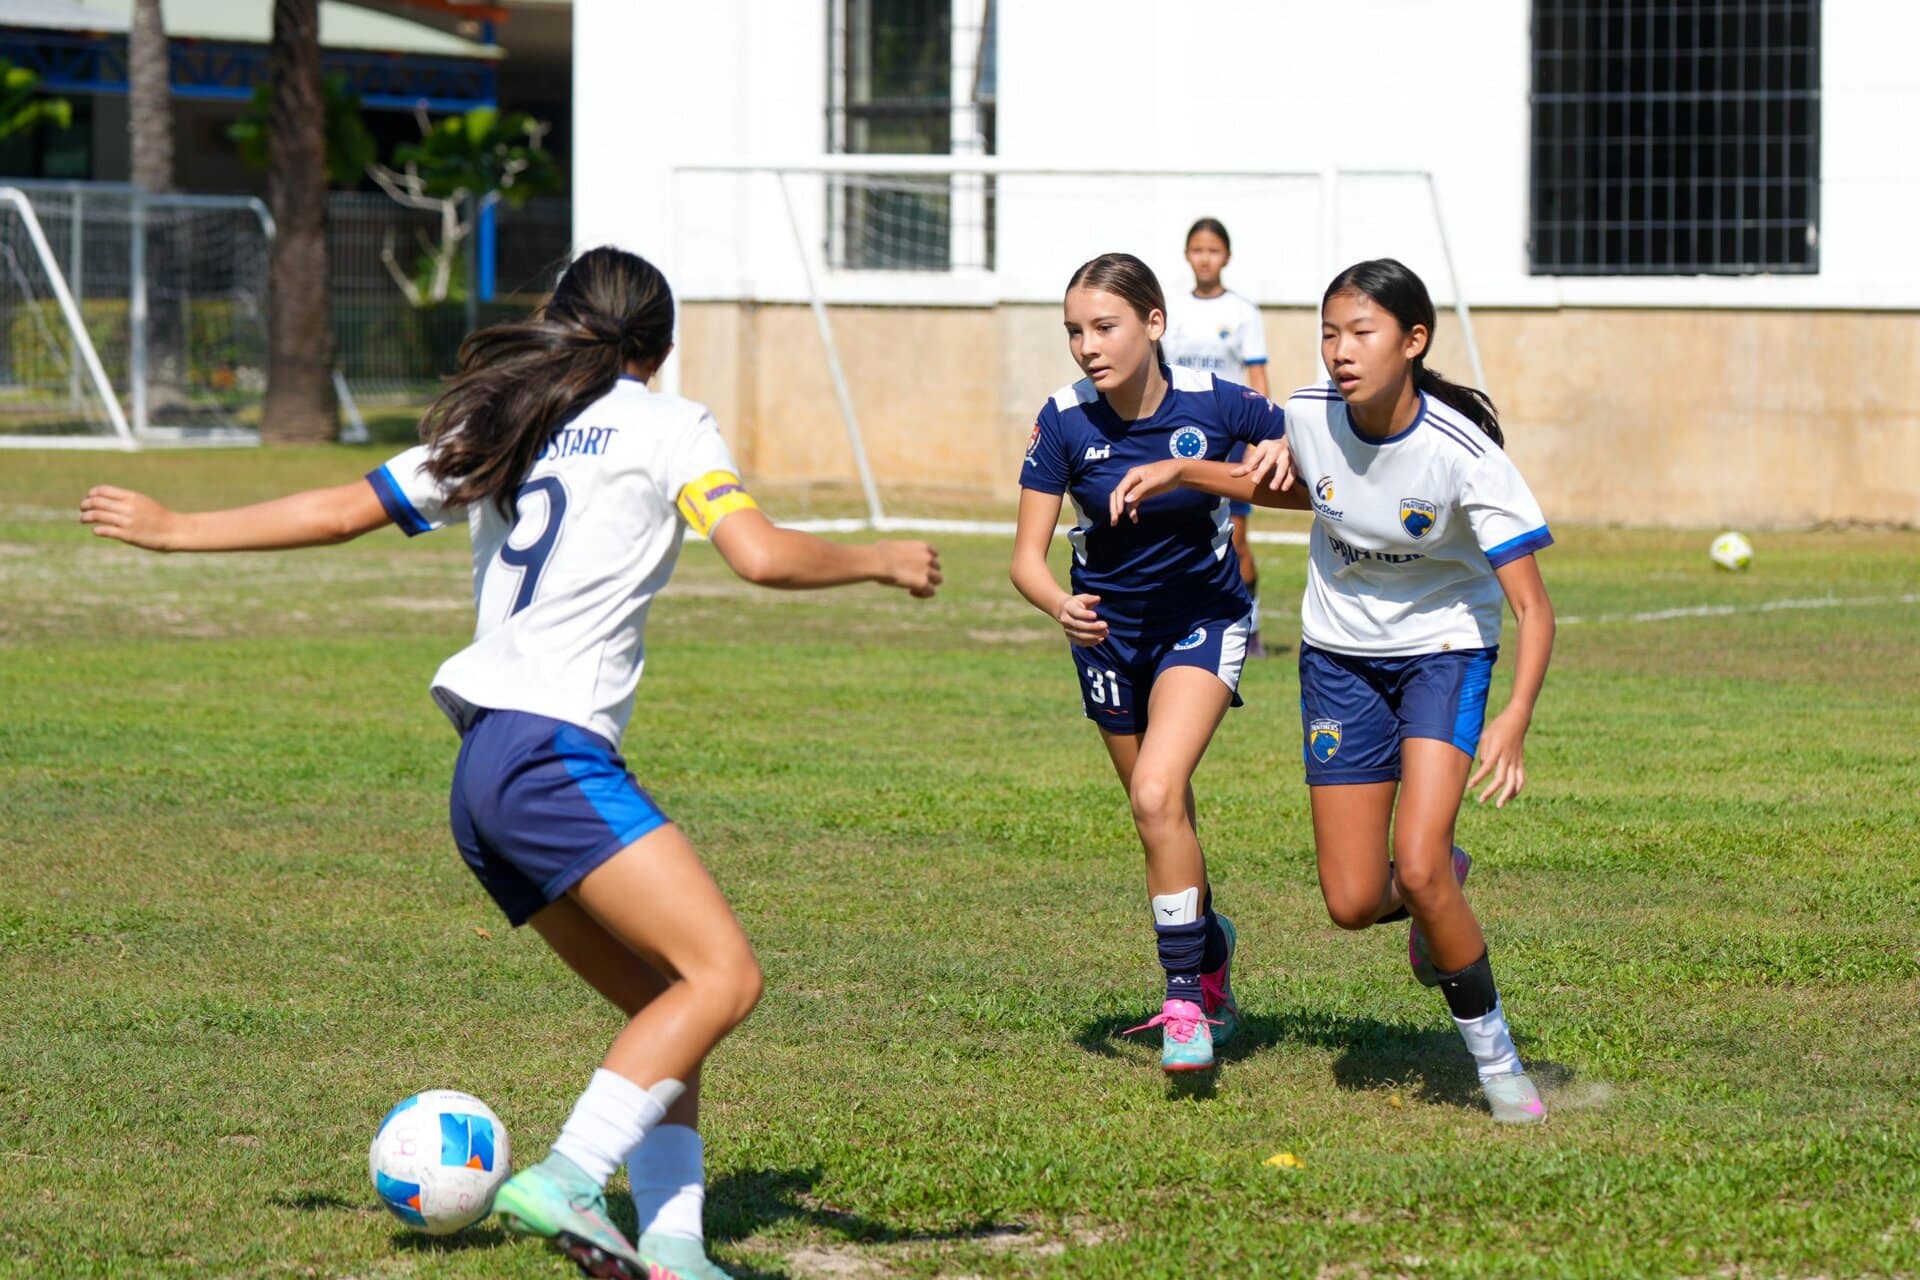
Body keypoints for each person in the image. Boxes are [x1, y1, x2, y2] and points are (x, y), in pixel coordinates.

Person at [79, 247, 943, 1277]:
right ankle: (569, 1175)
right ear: (659, 349)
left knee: (668, 1001)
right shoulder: (672, 425)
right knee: (725, 975)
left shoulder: (507, 418)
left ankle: (673, 1244)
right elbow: (757, 553)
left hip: (481, 769)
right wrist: (882, 557)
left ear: (557, 320)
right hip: (548, 752)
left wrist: (177, 531)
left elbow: (341, 509)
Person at [1110, 258, 1555, 1124]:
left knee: (1418, 863)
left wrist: (1515, 718)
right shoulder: (1308, 417)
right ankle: (1439, 890)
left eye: (1362, 333)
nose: (1340, 352)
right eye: (1328, 334)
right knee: (1354, 901)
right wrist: (1183, 471)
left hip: (1444, 655)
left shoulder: (1464, 454)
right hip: (1340, 663)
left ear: (1413, 341)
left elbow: (1533, 609)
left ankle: (1498, 1064)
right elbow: (1284, 489)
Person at [1009, 251, 1285, 1074]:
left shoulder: (1218, 401)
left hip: (1201, 623)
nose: (1087, 346)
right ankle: (1209, 946)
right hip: (1107, 639)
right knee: (1161, 813)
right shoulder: (1062, 420)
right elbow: (1026, 557)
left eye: (1105, 327)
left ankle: (1184, 1005)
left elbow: (1303, 460)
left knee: (1157, 793)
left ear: (1154, 324)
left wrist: (1258, 464)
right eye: (1074, 332)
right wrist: (1059, 603)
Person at [1162, 217, 1274, 657]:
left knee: (1236, 537)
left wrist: (1259, 437)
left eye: (1212, 250)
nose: (1204, 258)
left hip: (1229, 440)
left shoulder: (1243, 311)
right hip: (1180, 438)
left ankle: (1252, 625)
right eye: (1197, 250)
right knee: (1179, 534)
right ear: (1187, 255)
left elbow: (1258, 378)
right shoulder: (1171, 311)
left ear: (1225, 256)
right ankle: (1185, 624)